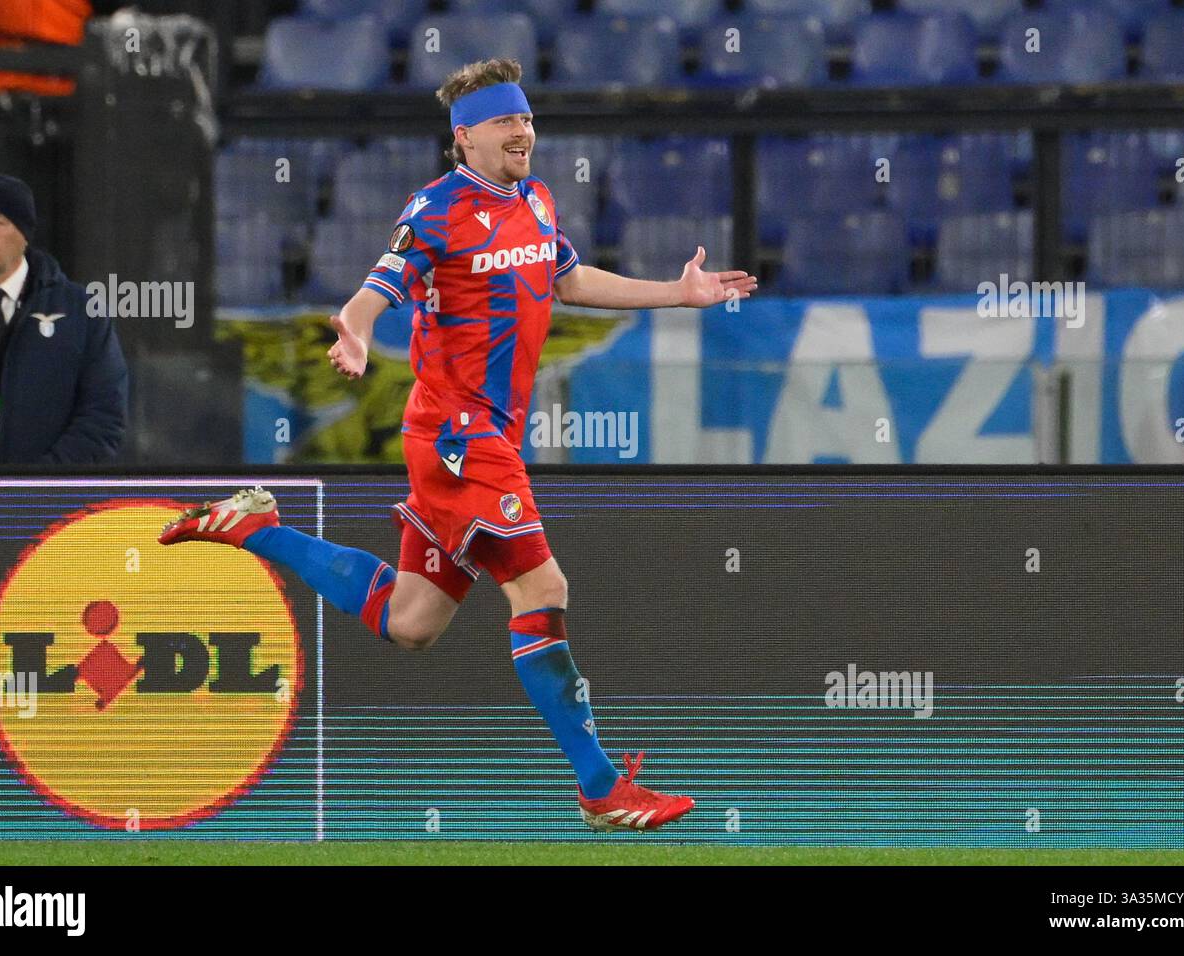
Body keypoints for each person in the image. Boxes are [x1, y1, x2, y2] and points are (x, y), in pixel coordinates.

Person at [160, 58, 757, 831]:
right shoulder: (437, 207)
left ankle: (251, 525)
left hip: (477, 437)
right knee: (543, 590)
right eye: (507, 122)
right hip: (458, 434)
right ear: (464, 136)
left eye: (528, 118)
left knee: (410, 622)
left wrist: (676, 294)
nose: (524, 132)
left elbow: (568, 281)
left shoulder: (536, 200)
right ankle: (601, 787)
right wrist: (359, 325)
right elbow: (384, 280)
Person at [0, 173, 127, 464]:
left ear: (24, 234)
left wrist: (35, 488)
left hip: (50, 504)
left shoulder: (83, 312)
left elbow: (103, 417)